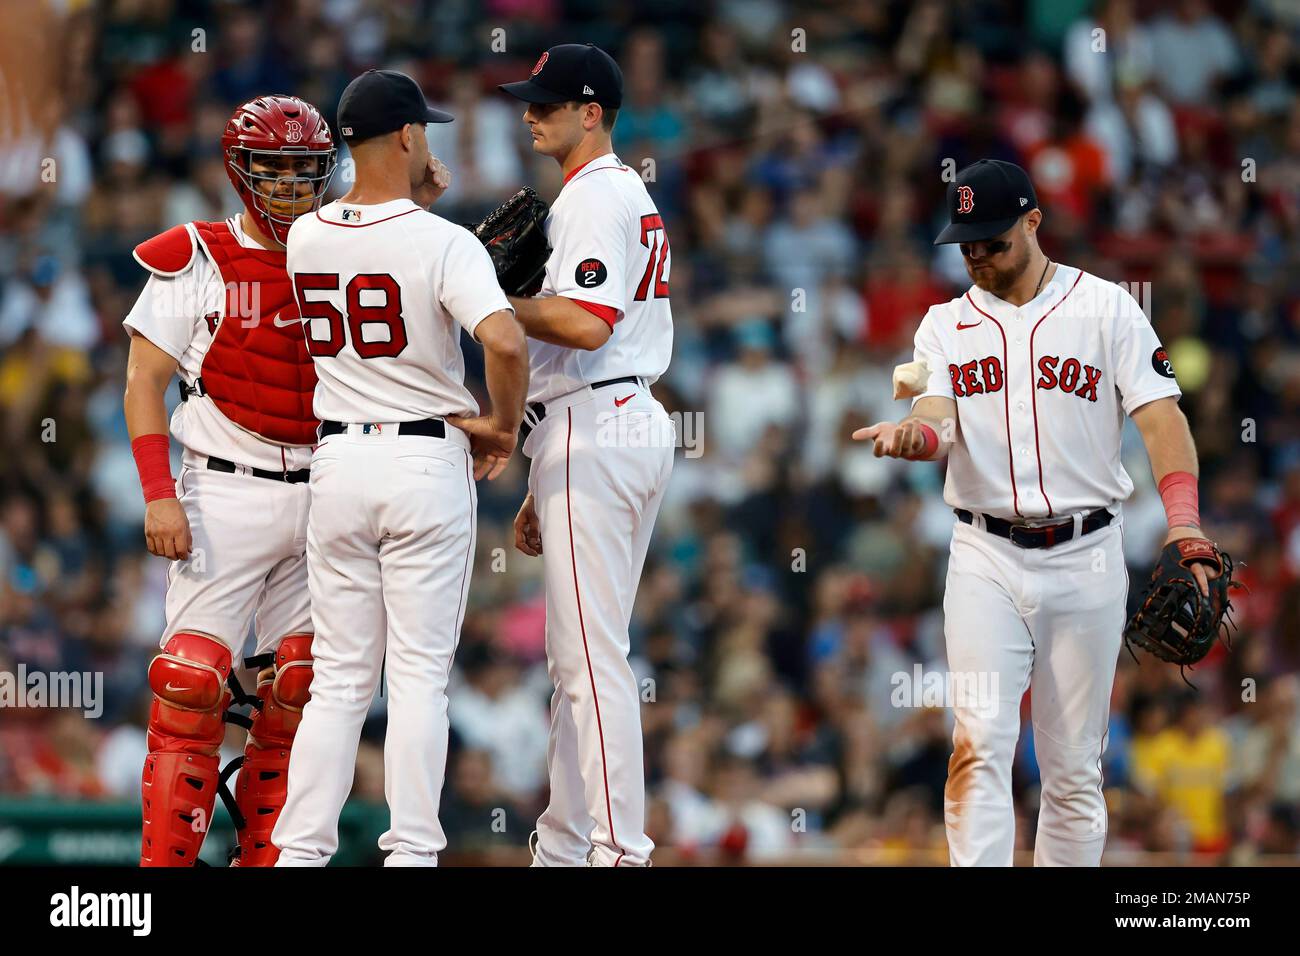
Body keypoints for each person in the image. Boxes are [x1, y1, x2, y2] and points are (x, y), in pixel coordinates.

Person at [854, 159, 1220, 866]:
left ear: (1033, 222)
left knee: (1075, 766)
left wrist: (1184, 520)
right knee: (979, 742)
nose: (978, 257)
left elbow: (1162, 419)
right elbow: (935, 420)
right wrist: (913, 438)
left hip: (1087, 554)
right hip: (984, 554)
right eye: (966, 245)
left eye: (993, 241)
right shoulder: (944, 325)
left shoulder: (1107, 308)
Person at [271, 69, 528, 867]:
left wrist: (413, 200)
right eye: (427, 132)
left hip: (340, 458)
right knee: (417, 677)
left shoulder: (304, 235)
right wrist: (502, 428)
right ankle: (411, 853)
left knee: (341, 682)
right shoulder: (442, 239)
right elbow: (507, 339)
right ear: (411, 136)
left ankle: (300, 854)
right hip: (423, 457)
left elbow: (371, 243)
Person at [125, 94, 336, 866]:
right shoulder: (196, 253)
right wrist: (155, 492)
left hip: (325, 489)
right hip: (223, 485)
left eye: (303, 171)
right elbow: (143, 381)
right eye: (274, 170)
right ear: (240, 170)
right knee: (189, 684)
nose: (288, 186)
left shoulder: (343, 249)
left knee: (303, 688)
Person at [496, 43, 675, 867]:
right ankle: (566, 846)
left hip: (601, 422)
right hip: (604, 421)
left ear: (591, 111)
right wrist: (542, 464)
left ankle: (616, 851)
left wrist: (496, 297)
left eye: (547, 103)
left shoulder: (597, 196)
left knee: (589, 658)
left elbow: (587, 324)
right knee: (582, 653)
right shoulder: (607, 192)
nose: (531, 114)